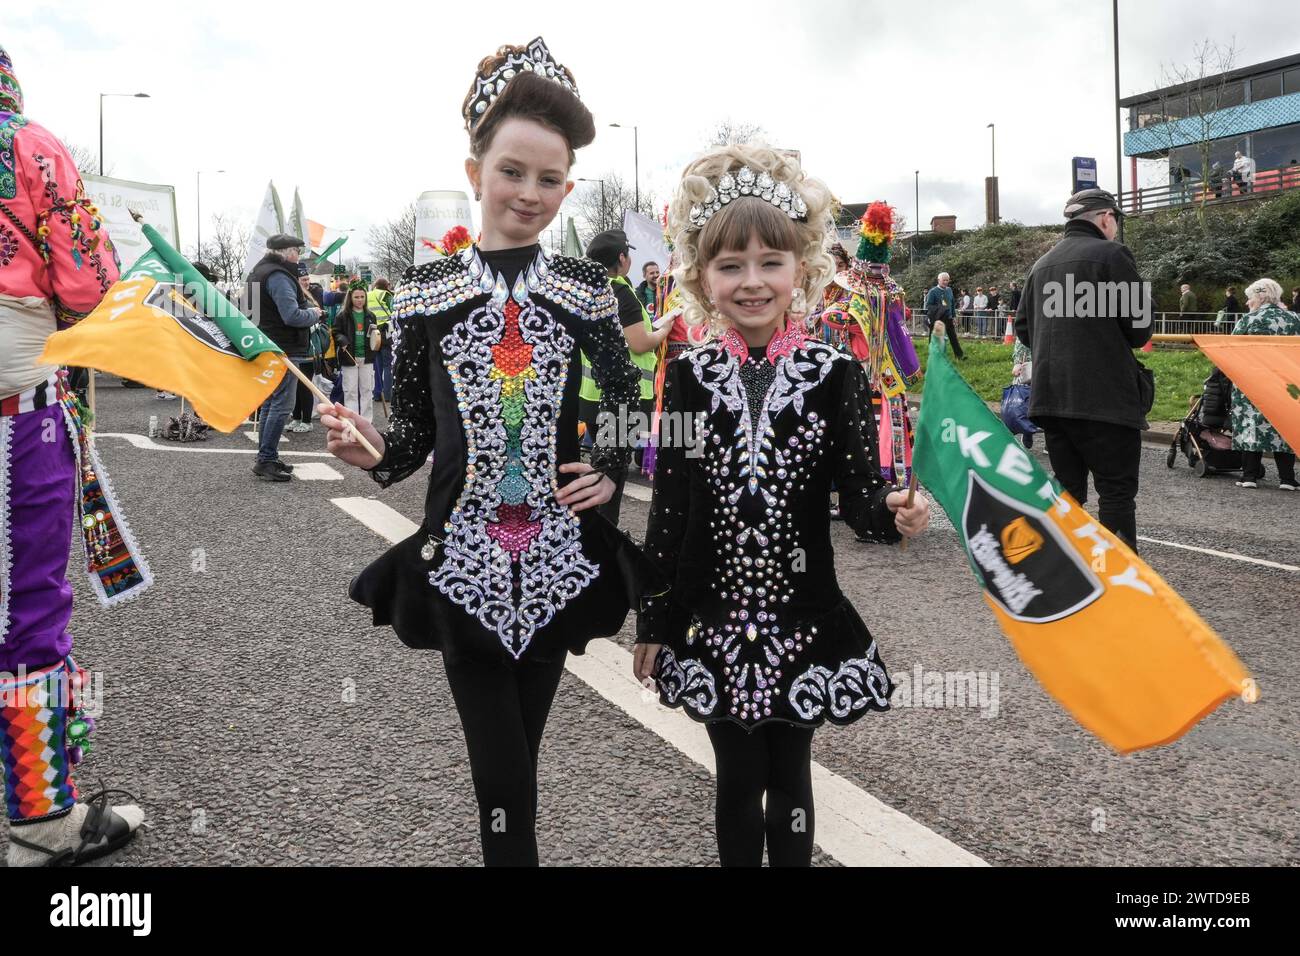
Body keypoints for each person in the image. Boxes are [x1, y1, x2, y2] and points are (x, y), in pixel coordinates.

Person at [318, 37, 656, 867]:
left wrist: (606, 474)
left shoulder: (585, 287)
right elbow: (415, 441)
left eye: (550, 179)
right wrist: (370, 456)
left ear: (568, 186)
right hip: (460, 563)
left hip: (557, 560)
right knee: (500, 781)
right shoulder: (422, 292)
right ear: (475, 171)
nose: (530, 193)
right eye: (513, 171)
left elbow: (624, 398)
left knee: (523, 774)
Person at [633, 143, 930, 867]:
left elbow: (858, 492)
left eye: (771, 262)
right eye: (730, 265)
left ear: (803, 267)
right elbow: (670, 507)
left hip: (804, 613)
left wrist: (893, 509)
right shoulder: (692, 374)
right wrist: (656, 616)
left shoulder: (836, 372)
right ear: (702, 276)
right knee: (737, 778)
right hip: (713, 615)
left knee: (791, 778)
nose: (753, 281)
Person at [0, 43, 149, 866]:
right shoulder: (31, 146)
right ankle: (39, 816)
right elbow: (92, 283)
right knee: (28, 604)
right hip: (16, 410)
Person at [1015, 188, 1152, 551]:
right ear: (1106, 217)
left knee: (1068, 493)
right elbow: (1139, 330)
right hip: (1106, 399)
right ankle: (1118, 581)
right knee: (1116, 494)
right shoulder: (1112, 255)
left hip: (1052, 398)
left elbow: (1024, 329)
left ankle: (1069, 576)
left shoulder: (1040, 265)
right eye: (1115, 221)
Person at [581, 228, 671, 523]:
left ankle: (593, 533)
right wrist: (664, 329)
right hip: (622, 399)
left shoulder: (584, 290)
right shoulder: (620, 292)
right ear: (621, 258)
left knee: (599, 467)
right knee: (612, 474)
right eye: (628, 254)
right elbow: (640, 342)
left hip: (590, 397)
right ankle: (604, 540)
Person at [244, 233, 321, 481]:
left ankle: (267, 455)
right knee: (281, 406)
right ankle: (266, 459)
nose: (298, 256)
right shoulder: (278, 276)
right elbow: (291, 316)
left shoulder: (257, 273)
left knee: (270, 403)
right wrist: (315, 314)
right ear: (287, 252)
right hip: (284, 348)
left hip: (266, 343)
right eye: (296, 251)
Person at [1230, 278, 1299, 490]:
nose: (1247, 303)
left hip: (1252, 379)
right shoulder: (1294, 318)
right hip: (1285, 381)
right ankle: (1287, 479)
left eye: (1249, 298)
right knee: (1283, 426)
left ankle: (1249, 476)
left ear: (1259, 297)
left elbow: (1231, 347)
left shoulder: (1249, 320)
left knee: (1251, 425)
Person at [287, 261, 323, 432]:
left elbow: (318, 319)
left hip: (308, 348)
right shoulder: (295, 296)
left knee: (305, 385)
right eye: (303, 279)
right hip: (297, 346)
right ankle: (297, 417)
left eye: (307, 279)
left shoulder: (309, 297)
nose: (307, 282)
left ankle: (307, 420)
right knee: (295, 386)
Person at [923, 271, 964, 358]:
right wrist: (940, 308)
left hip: (948, 317)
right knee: (934, 336)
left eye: (947, 280)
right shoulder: (933, 291)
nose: (946, 282)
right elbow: (929, 305)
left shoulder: (949, 290)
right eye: (944, 280)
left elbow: (952, 304)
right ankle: (933, 355)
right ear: (938, 280)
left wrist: (953, 316)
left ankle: (959, 355)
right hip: (937, 318)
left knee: (953, 337)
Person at [367, 277, 394, 406]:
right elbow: (394, 311)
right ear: (386, 286)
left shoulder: (368, 295)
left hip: (372, 331)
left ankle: (377, 394)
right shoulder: (386, 295)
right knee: (387, 364)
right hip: (386, 332)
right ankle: (388, 394)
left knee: (377, 365)